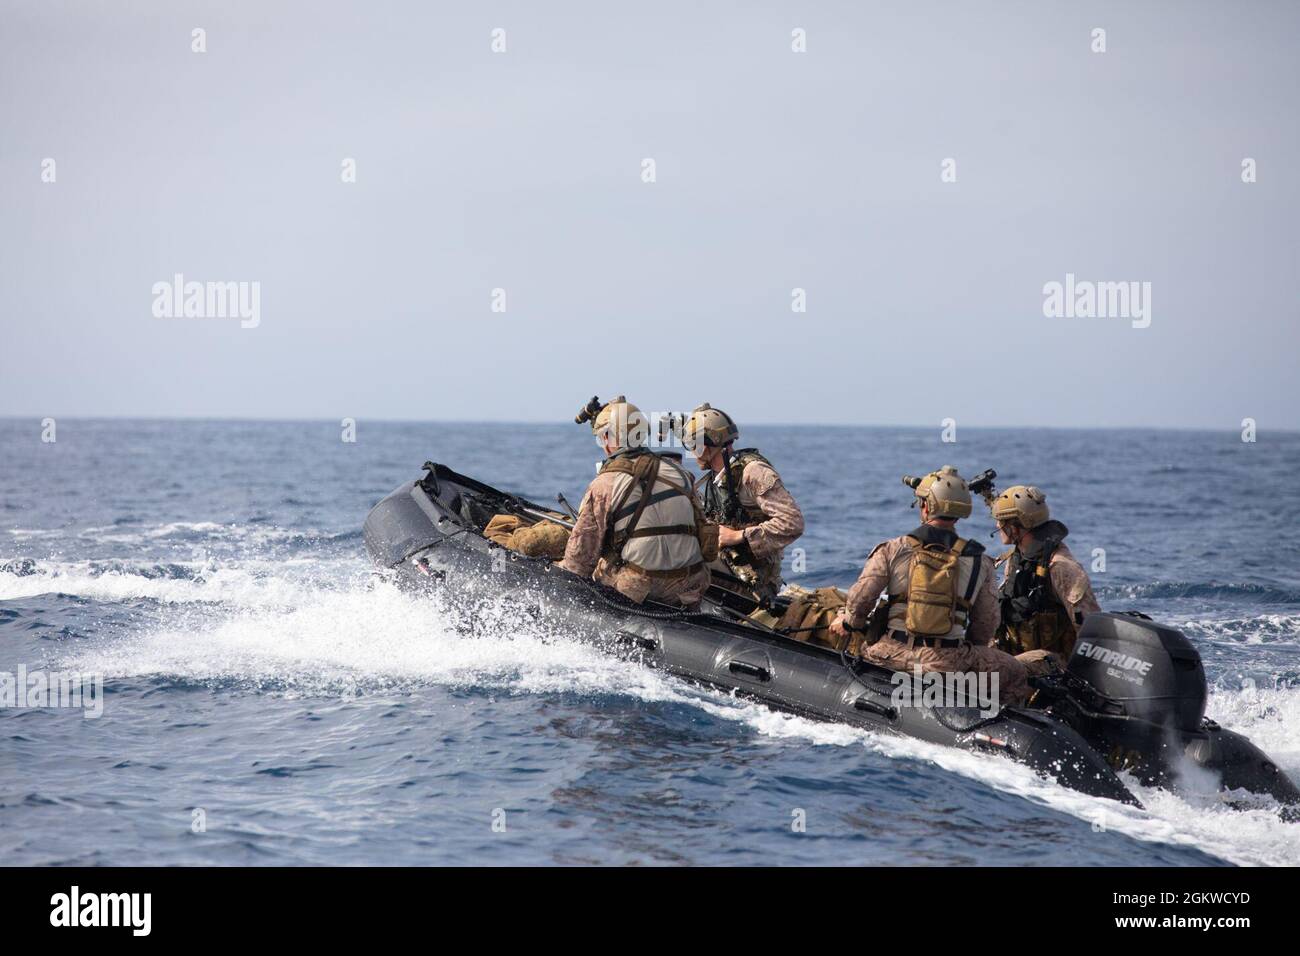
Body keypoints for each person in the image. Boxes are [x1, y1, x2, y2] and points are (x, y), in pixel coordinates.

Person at [828, 466, 1029, 708]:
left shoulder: (893, 549)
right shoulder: (981, 562)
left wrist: (850, 622)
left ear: (926, 506)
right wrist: (967, 652)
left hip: (888, 656)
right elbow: (986, 623)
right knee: (1016, 671)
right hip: (948, 664)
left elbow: (861, 599)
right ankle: (990, 720)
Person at [559, 396, 712, 607]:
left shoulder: (604, 484)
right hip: (689, 588)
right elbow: (706, 535)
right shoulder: (681, 473)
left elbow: (579, 561)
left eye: (603, 437)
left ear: (608, 438)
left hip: (641, 591)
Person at [679, 403, 804, 604]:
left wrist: (738, 536)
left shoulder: (753, 472)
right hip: (728, 569)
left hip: (755, 583)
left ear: (711, 443)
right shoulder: (714, 480)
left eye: (694, 445)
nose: (692, 452)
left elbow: (793, 523)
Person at [991, 485, 1101, 663]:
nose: (997, 525)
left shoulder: (1062, 568)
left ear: (1017, 527)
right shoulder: (1018, 560)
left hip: (1055, 668)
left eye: (1002, 521)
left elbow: (1090, 629)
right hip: (1020, 655)